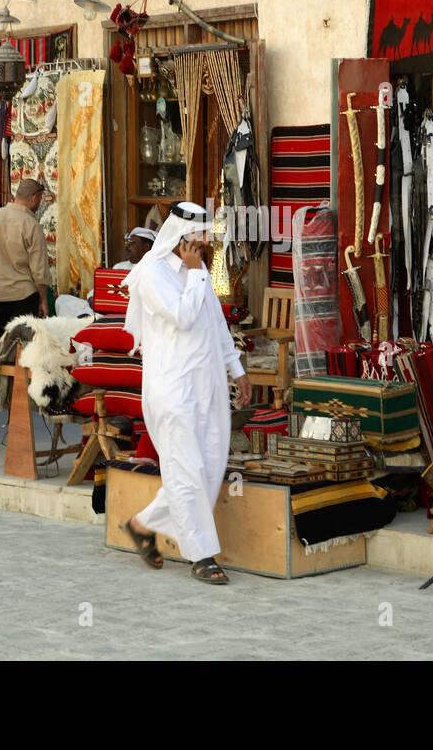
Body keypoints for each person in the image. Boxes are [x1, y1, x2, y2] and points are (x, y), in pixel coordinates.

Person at [121, 201, 252, 585]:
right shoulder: (150, 273)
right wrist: (196, 273)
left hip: (208, 387)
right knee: (186, 471)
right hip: (172, 390)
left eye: (204, 237)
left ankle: (142, 525)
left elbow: (214, 324)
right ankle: (201, 556)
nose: (203, 244)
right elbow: (183, 316)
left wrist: (238, 370)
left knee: (208, 469)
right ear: (179, 236)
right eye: (197, 237)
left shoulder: (198, 274)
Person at [0, 178, 49, 347]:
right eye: (40, 199)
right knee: (21, 349)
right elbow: (39, 269)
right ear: (34, 198)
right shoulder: (31, 224)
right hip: (24, 296)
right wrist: (43, 300)